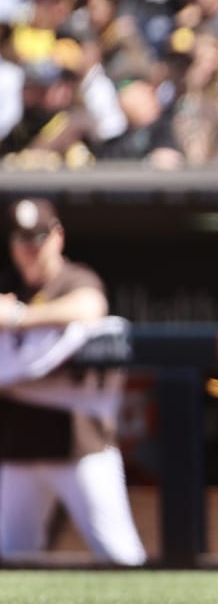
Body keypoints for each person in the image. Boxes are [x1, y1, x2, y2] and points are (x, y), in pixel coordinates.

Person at [0, 198, 145, 565]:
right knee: (10, 560)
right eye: (21, 239)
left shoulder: (74, 279)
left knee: (120, 558)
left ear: (57, 237)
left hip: (80, 447)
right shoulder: (10, 285)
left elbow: (89, 307)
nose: (30, 248)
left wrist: (18, 316)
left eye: (38, 237)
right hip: (20, 450)